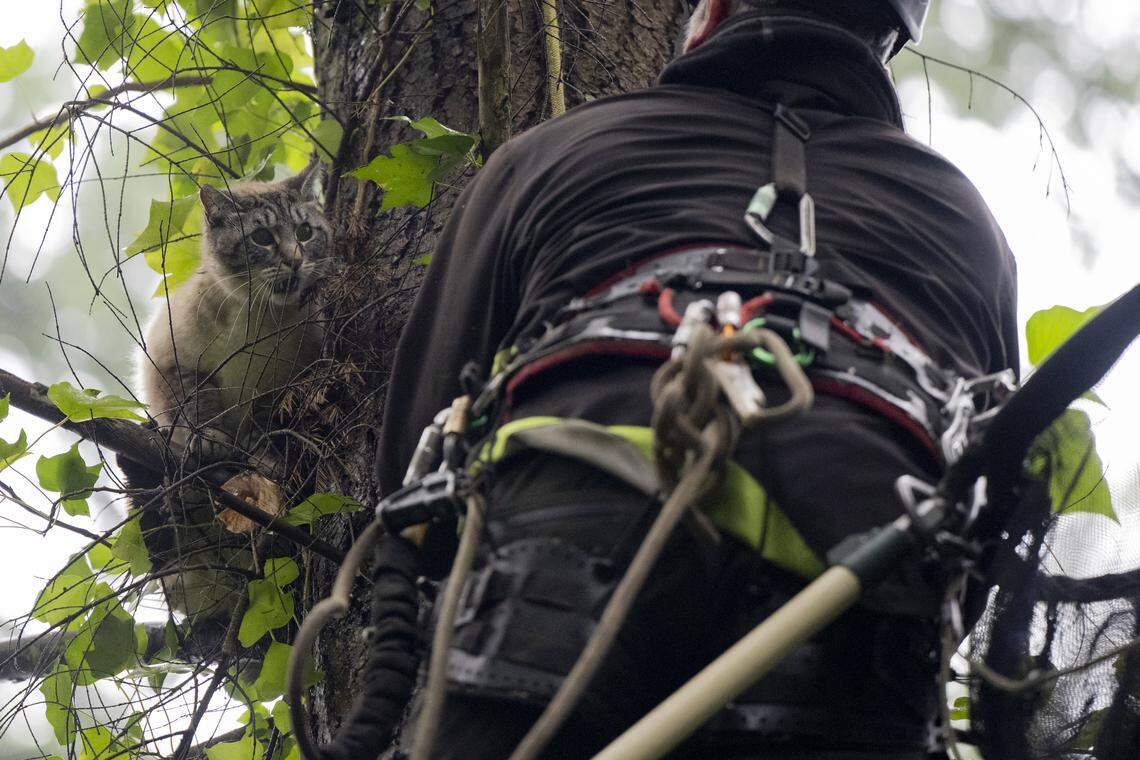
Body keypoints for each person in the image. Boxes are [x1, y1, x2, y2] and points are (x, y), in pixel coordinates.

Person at [377, 1, 1019, 757]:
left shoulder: (558, 147)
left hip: (562, 553)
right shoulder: (965, 222)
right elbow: (986, 505)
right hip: (859, 592)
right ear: (885, 46)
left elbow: (411, 463)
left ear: (709, 14)